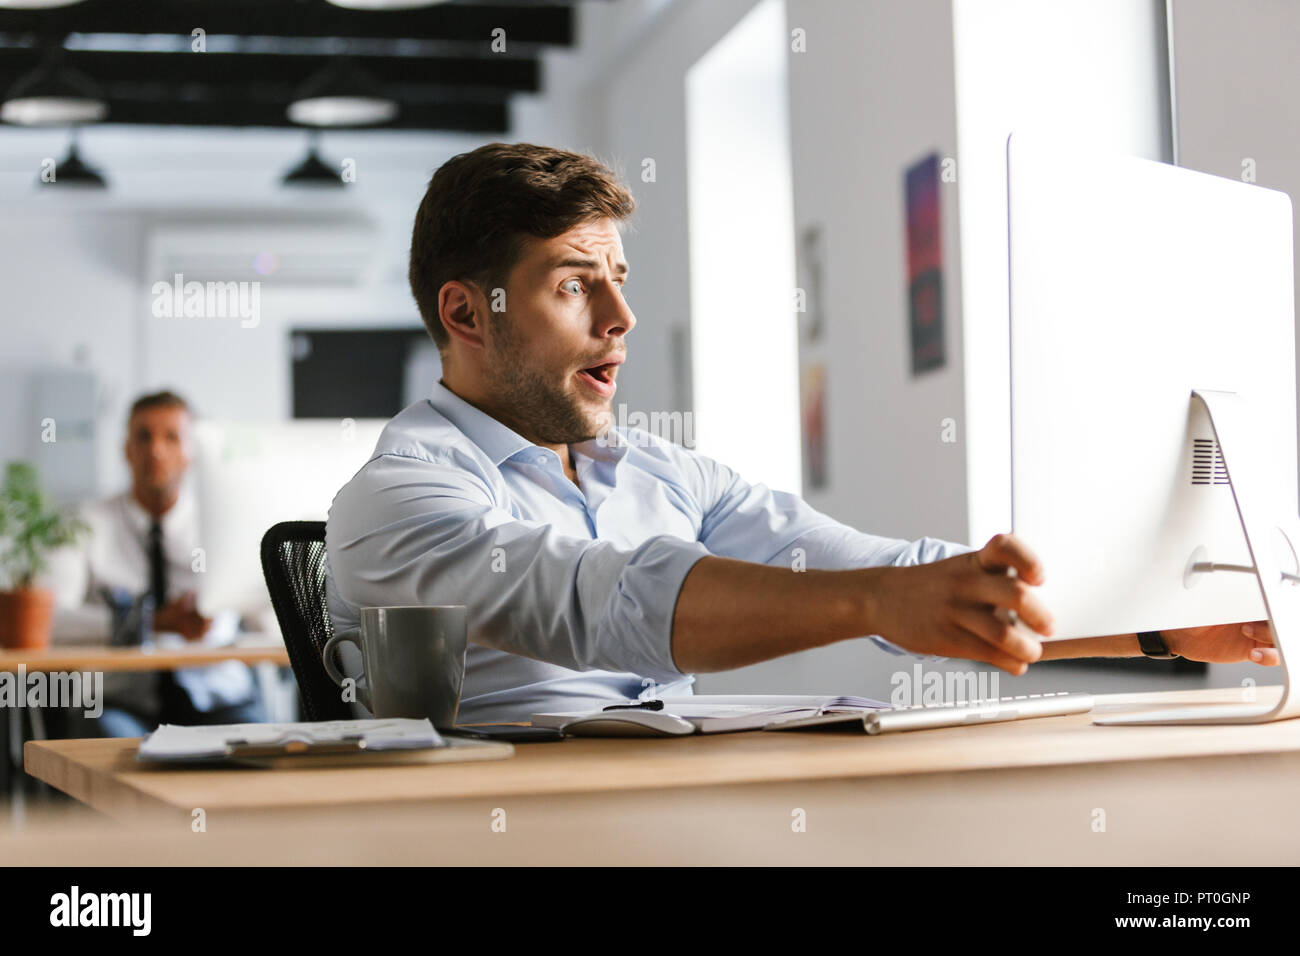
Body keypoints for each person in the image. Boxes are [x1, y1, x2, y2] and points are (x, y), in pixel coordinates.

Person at [324, 142, 1277, 724]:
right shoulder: (399, 495)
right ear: (466, 312)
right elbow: (598, 600)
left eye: (620, 278)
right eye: (576, 282)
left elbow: (898, 573)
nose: (621, 316)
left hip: (678, 802)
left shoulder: (664, 469)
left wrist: (1151, 625)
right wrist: (874, 602)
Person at [49, 390, 264, 736]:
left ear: (192, 453)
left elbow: (268, 620)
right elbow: (51, 620)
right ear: (126, 449)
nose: (156, 450)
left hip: (218, 701)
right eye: (144, 437)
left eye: (172, 437)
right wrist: (151, 622)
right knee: (117, 754)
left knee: (259, 754)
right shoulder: (84, 524)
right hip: (121, 704)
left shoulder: (222, 522)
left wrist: (223, 608)